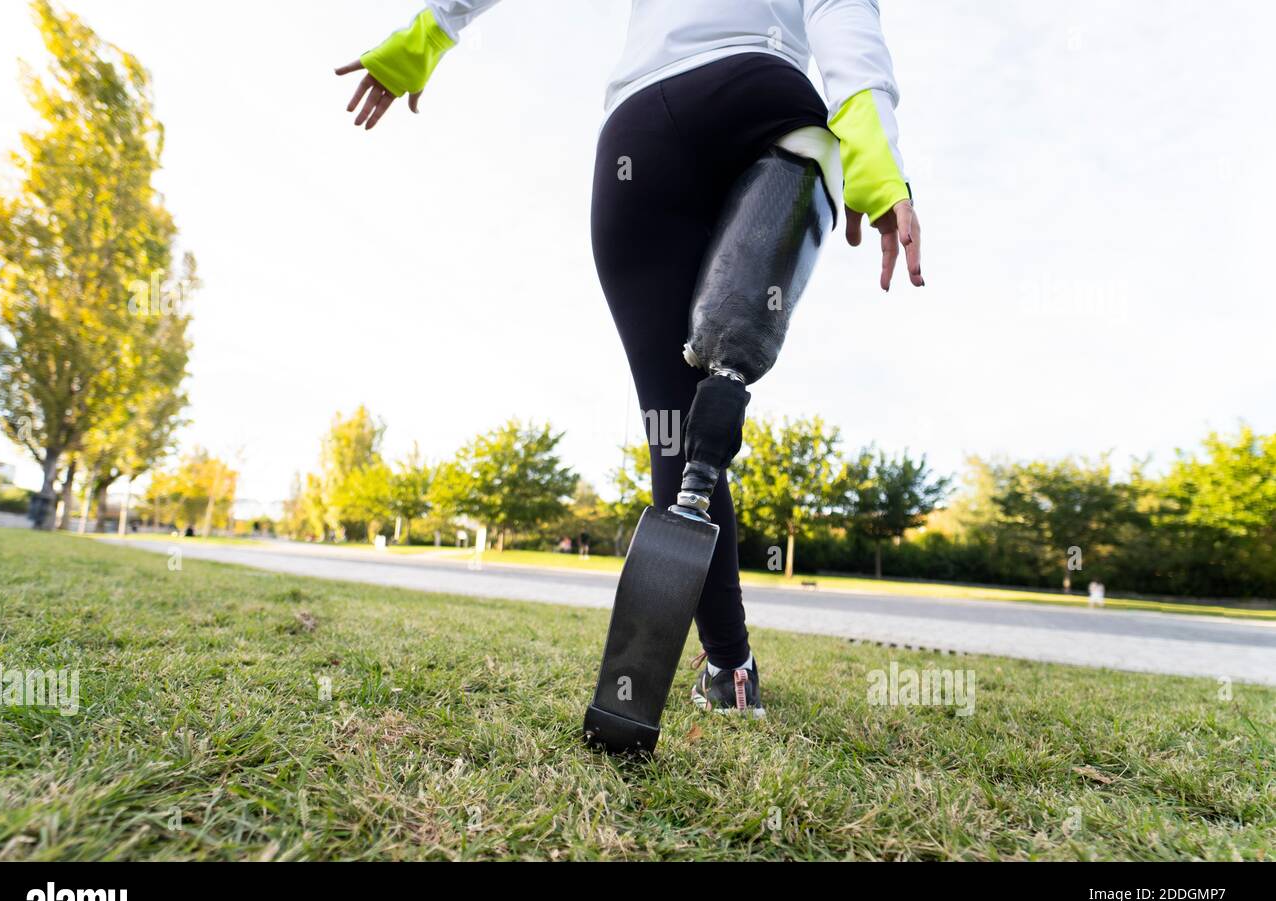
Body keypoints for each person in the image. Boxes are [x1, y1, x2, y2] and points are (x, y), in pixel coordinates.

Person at [337, 0, 923, 718]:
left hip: (646, 131)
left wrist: (423, 39)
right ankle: (730, 658)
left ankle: (731, 665)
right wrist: (871, 147)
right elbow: (843, 14)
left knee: (672, 417)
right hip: (771, 111)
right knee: (723, 370)